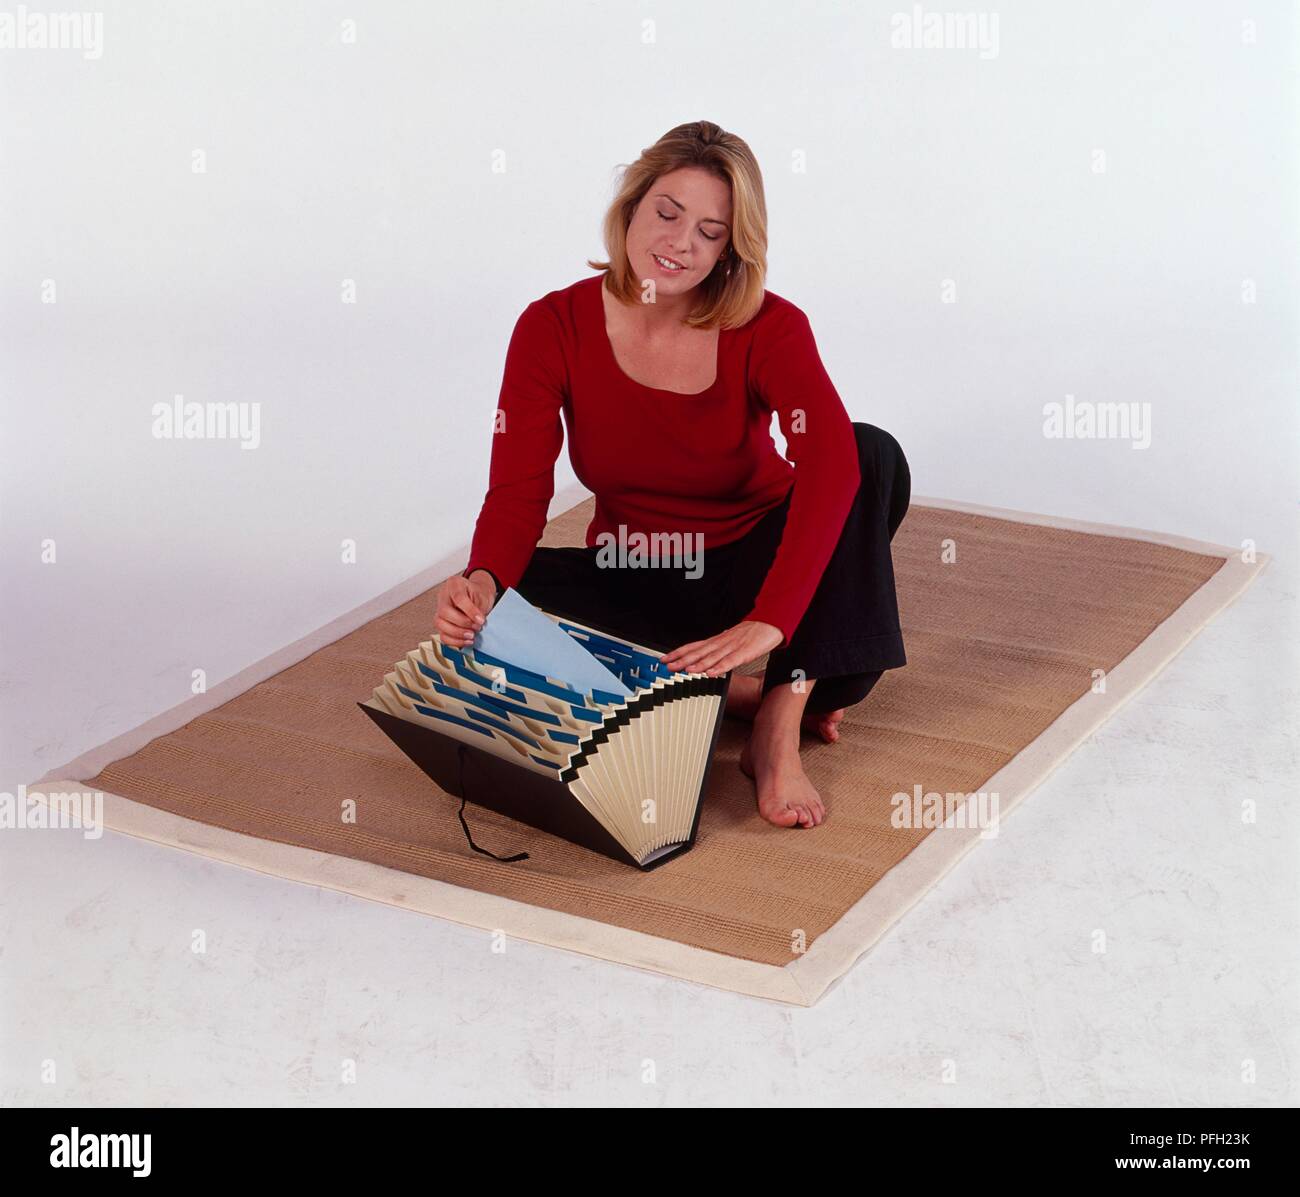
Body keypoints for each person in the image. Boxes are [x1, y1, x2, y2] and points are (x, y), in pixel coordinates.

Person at [435, 120, 911, 830]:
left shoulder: (768, 326)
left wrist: (771, 621)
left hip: (758, 572)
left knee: (869, 453)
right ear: (632, 207)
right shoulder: (552, 325)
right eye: (667, 212)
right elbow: (520, 488)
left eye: (711, 231)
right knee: (505, 602)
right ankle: (732, 690)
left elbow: (831, 465)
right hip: (634, 569)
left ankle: (778, 717)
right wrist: (481, 581)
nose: (681, 242)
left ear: (731, 247)